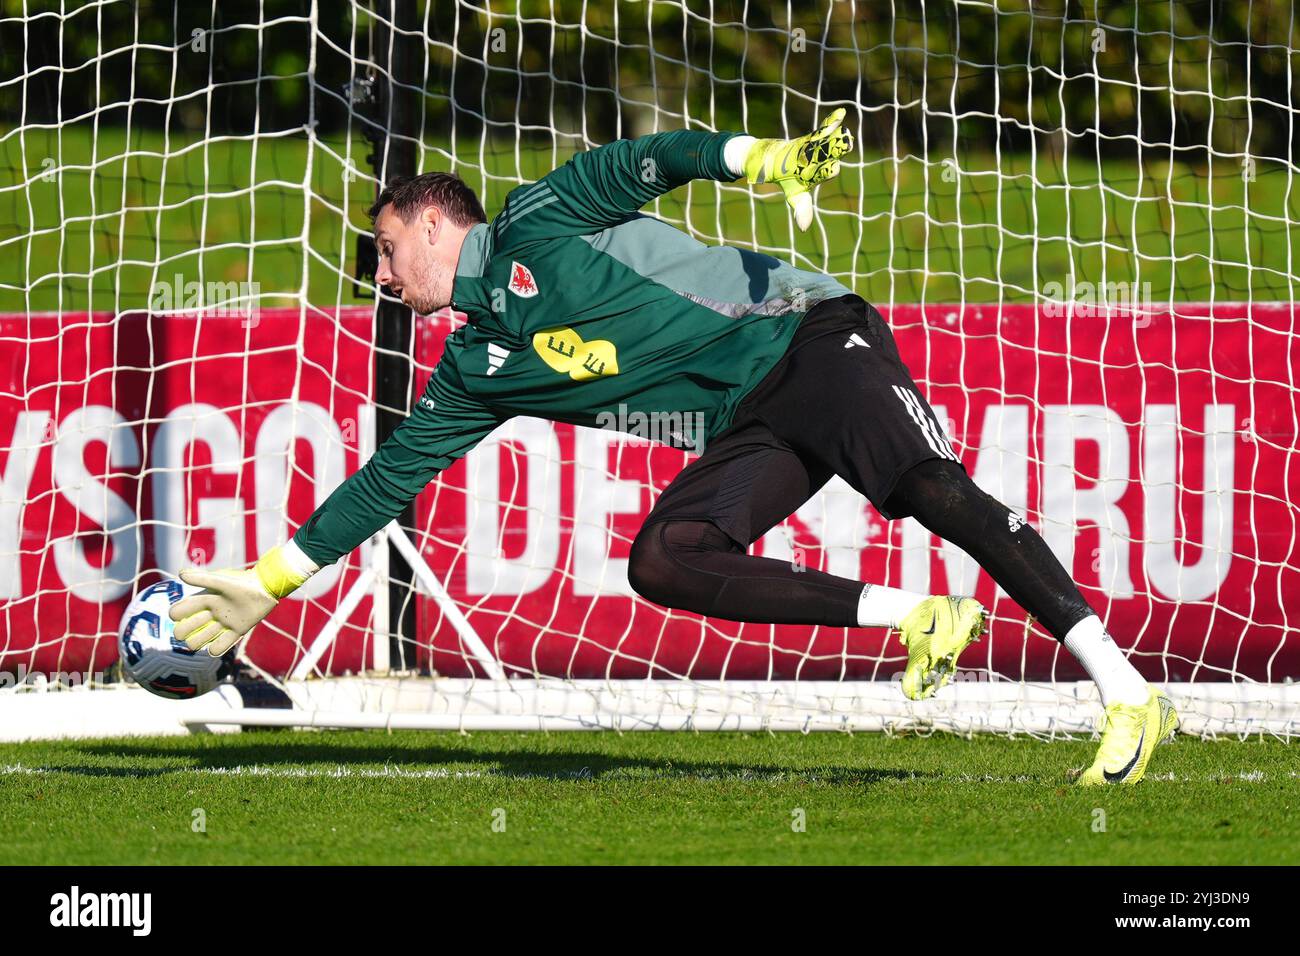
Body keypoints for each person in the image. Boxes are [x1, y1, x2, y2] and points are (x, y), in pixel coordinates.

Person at [170, 111, 1177, 784]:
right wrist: (268, 580)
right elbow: (388, 480)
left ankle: (1123, 688)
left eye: (384, 251)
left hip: (807, 333)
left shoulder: (539, 218)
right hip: (754, 419)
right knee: (662, 557)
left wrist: (759, 160)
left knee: (923, 485)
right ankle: (918, 615)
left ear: (434, 224)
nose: (381, 277)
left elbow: (655, 159)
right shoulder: (475, 365)